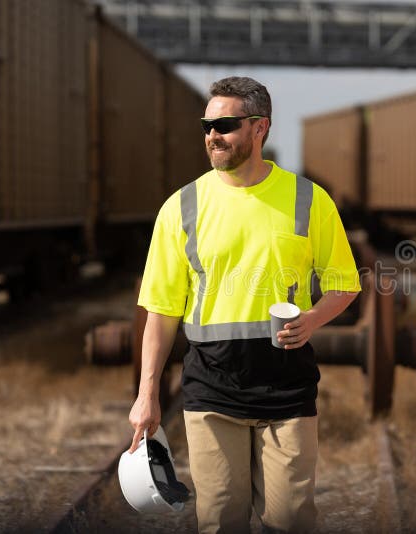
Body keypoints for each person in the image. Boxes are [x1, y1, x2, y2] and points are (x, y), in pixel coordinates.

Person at [128, 76, 361, 533]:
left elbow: (345, 284)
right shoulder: (182, 207)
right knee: (219, 522)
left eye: (226, 124)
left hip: (288, 388)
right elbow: (161, 311)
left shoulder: (308, 200)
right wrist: (146, 393)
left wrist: (313, 319)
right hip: (211, 388)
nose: (212, 135)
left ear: (260, 128)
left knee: (291, 520)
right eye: (207, 125)